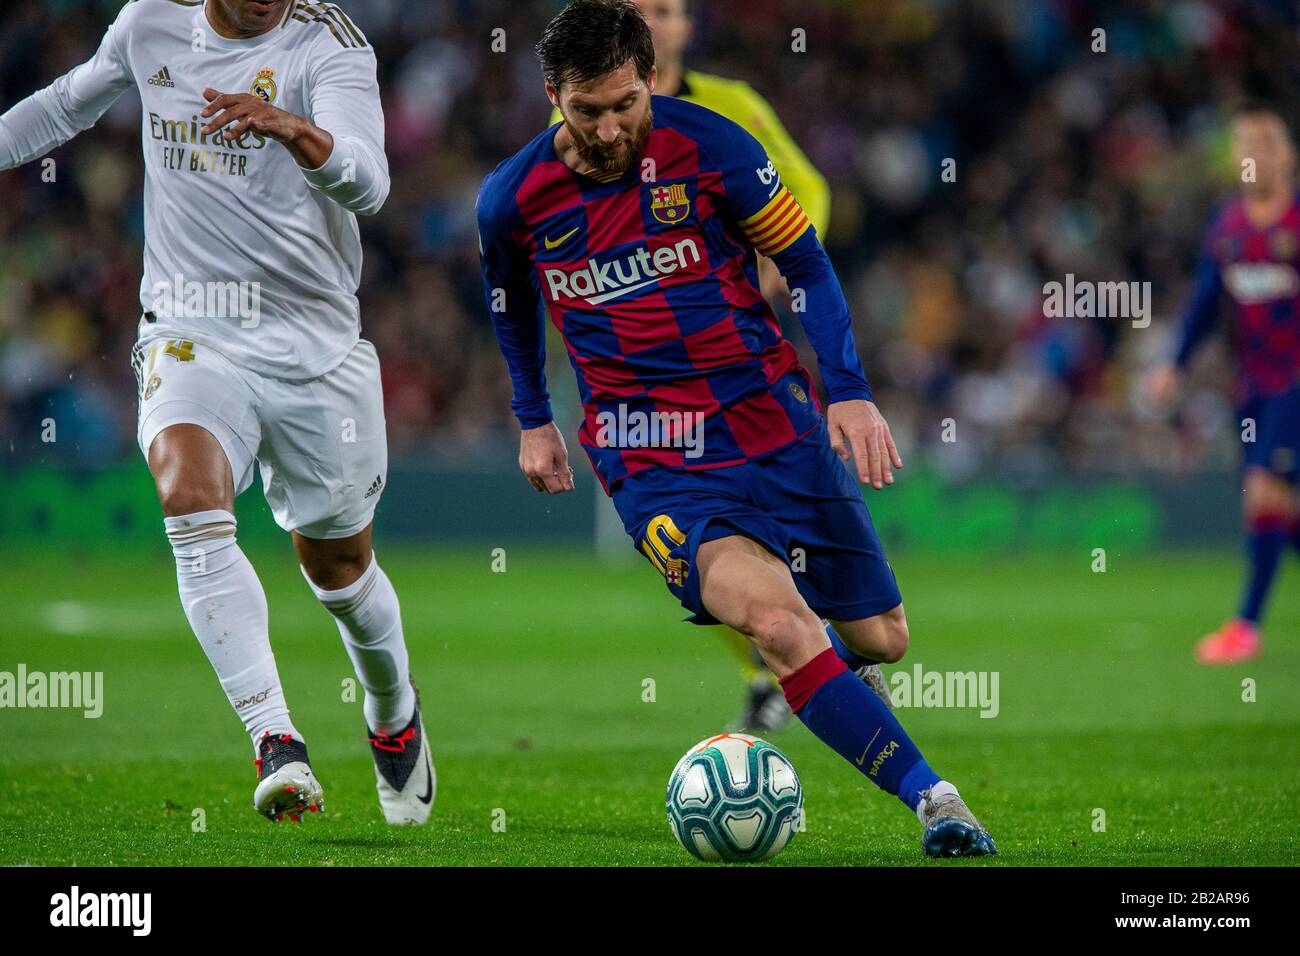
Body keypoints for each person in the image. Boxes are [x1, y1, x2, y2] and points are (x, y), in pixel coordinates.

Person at [477, 0, 996, 857]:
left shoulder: (714, 145)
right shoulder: (514, 197)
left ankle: (836, 673)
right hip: (649, 456)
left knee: (882, 638)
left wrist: (850, 391)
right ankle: (936, 801)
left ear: (649, 78)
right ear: (551, 95)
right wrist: (533, 417)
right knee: (780, 628)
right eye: (586, 110)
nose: (608, 129)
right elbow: (509, 306)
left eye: (624, 105)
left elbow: (807, 265)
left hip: (769, 423)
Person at [0, 0, 434, 824]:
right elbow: (65, 104)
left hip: (314, 347)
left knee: (339, 574)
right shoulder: (149, 23)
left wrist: (289, 128)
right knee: (190, 501)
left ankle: (393, 712)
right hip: (192, 330)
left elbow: (370, 185)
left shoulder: (328, 42)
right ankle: (276, 740)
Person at [1147, 101, 1300, 665]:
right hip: (1254, 385)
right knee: (1277, 509)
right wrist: (1174, 363)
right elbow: (1207, 301)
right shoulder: (1229, 225)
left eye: (1264, 148)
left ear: (1284, 157)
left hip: (1296, 381)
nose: (1254, 160)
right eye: (1245, 150)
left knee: (1265, 492)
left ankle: (1246, 626)